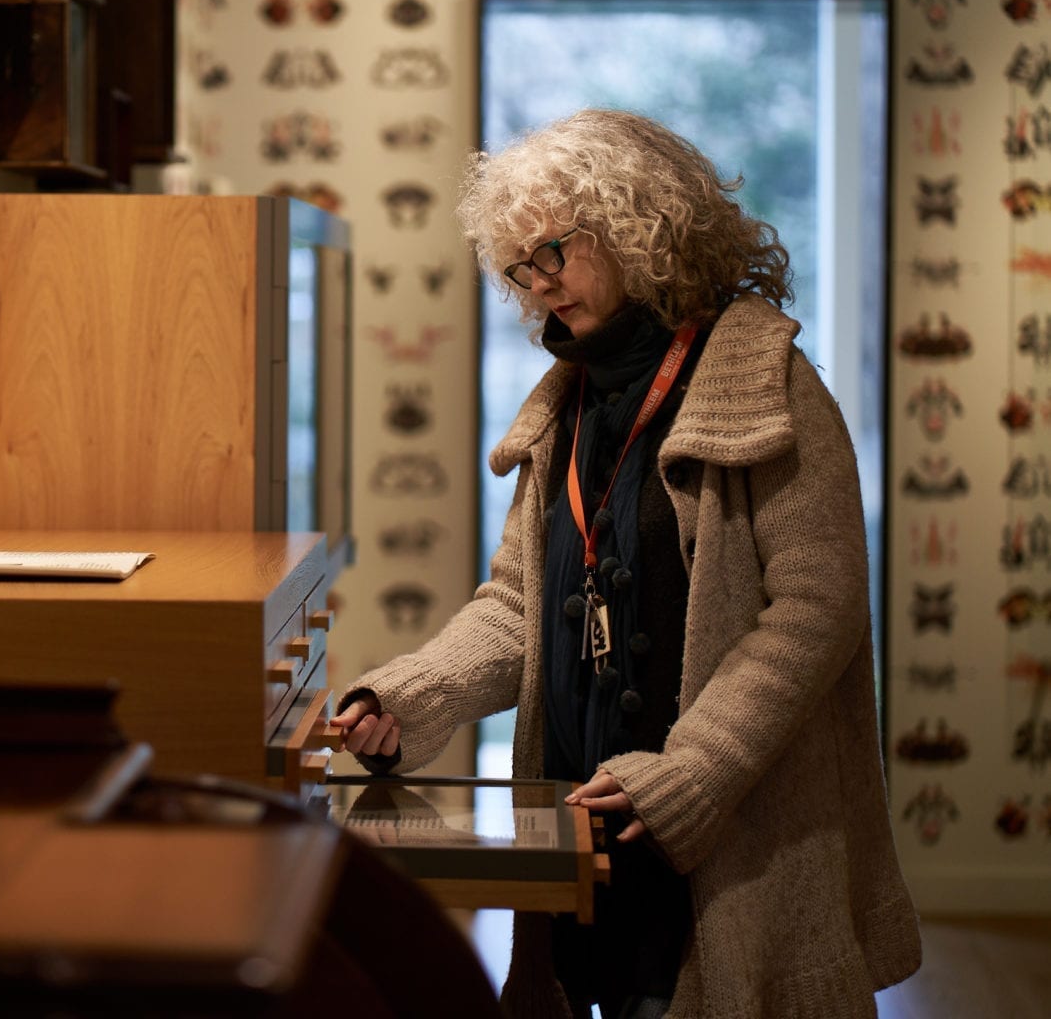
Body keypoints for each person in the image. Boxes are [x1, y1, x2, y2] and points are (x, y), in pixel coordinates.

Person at [329, 109, 921, 1018]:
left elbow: (817, 607)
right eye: (518, 266)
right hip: (582, 825)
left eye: (552, 253)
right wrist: (411, 696)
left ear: (637, 229)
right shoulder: (566, 403)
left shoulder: (770, 381)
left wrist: (693, 770)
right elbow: (517, 605)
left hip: (720, 834)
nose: (537, 284)